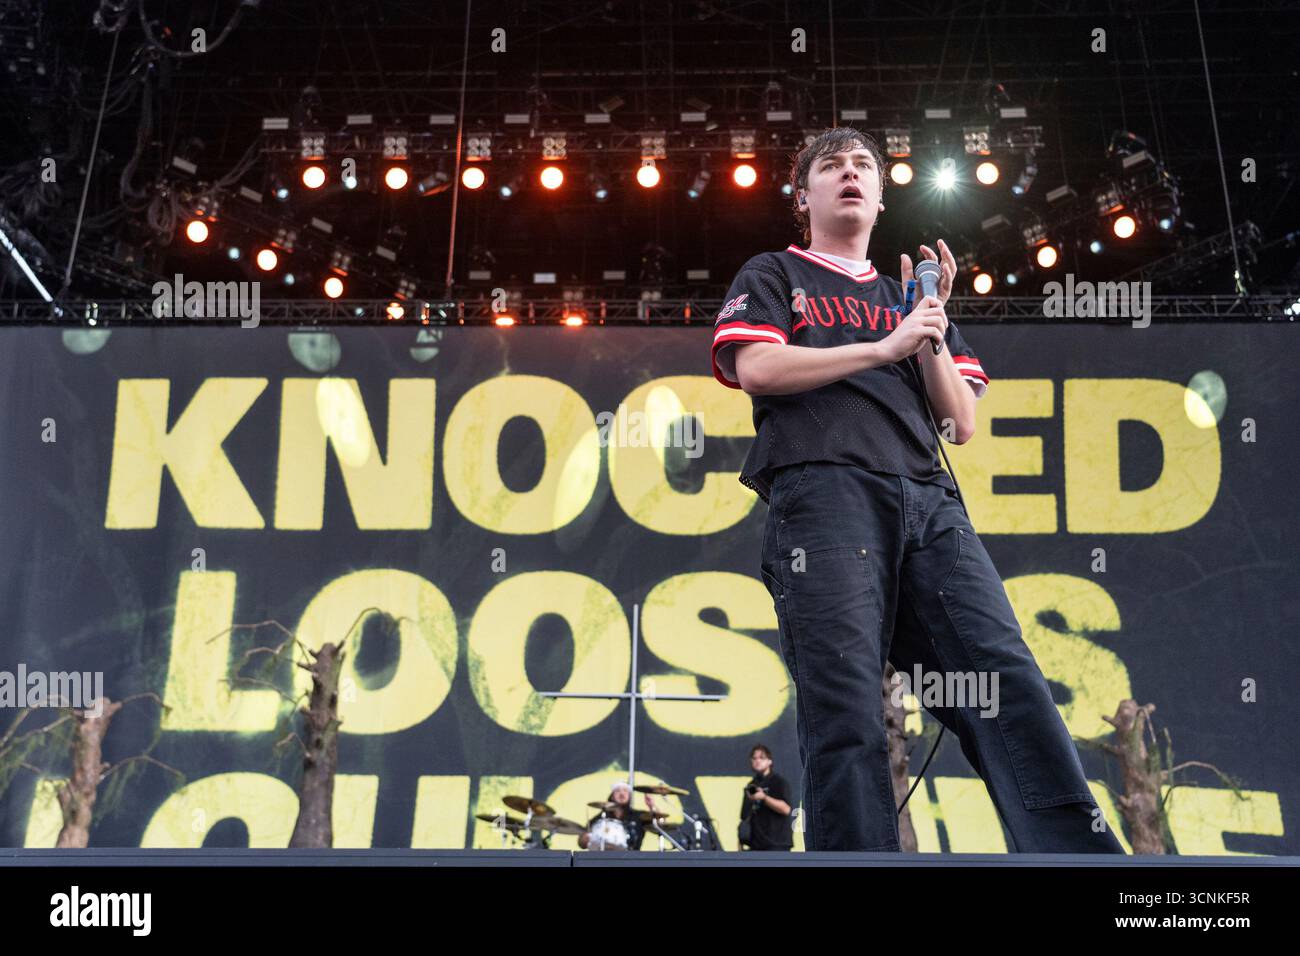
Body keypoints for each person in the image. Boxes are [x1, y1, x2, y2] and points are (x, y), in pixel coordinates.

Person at [709, 126, 1125, 855]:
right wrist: (883, 347)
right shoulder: (775, 271)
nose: (849, 173)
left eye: (863, 165)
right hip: (825, 493)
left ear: (879, 198)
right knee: (846, 707)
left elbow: (960, 422)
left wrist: (927, 328)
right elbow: (757, 370)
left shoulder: (908, 299)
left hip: (928, 503)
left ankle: (1079, 861)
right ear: (803, 197)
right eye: (831, 166)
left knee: (1005, 680)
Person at [738, 744, 794, 851]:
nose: (757, 761)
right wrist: (740, 843)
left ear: (770, 761)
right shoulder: (751, 786)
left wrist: (764, 798)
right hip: (755, 846)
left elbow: (786, 809)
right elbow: (744, 817)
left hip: (777, 844)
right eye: (754, 758)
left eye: (761, 757)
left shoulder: (778, 782)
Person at [578, 780, 647, 850]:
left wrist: (651, 807)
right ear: (612, 796)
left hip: (633, 856)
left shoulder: (639, 816)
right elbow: (582, 843)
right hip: (603, 855)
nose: (622, 793)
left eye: (625, 791)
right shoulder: (601, 818)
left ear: (629, 796)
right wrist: (585, 838)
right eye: (617, 791)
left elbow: (654, 824)